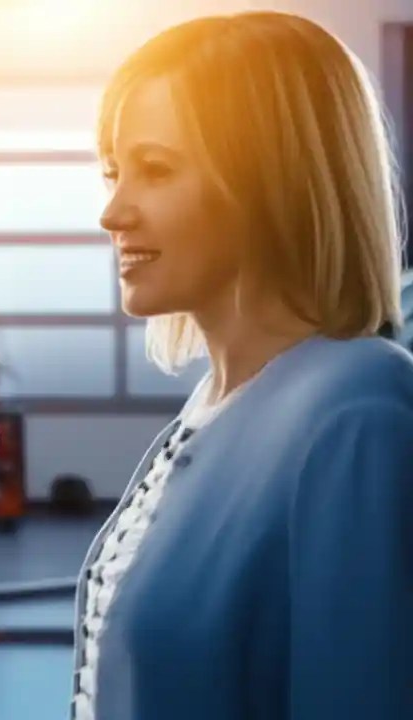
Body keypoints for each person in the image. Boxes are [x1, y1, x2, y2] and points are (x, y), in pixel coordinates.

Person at [77, 10, 413, 720]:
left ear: (270, 181)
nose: (113, 212)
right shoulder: (216, 405)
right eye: (113, 173)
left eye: (155, 171)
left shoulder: (356, 410)